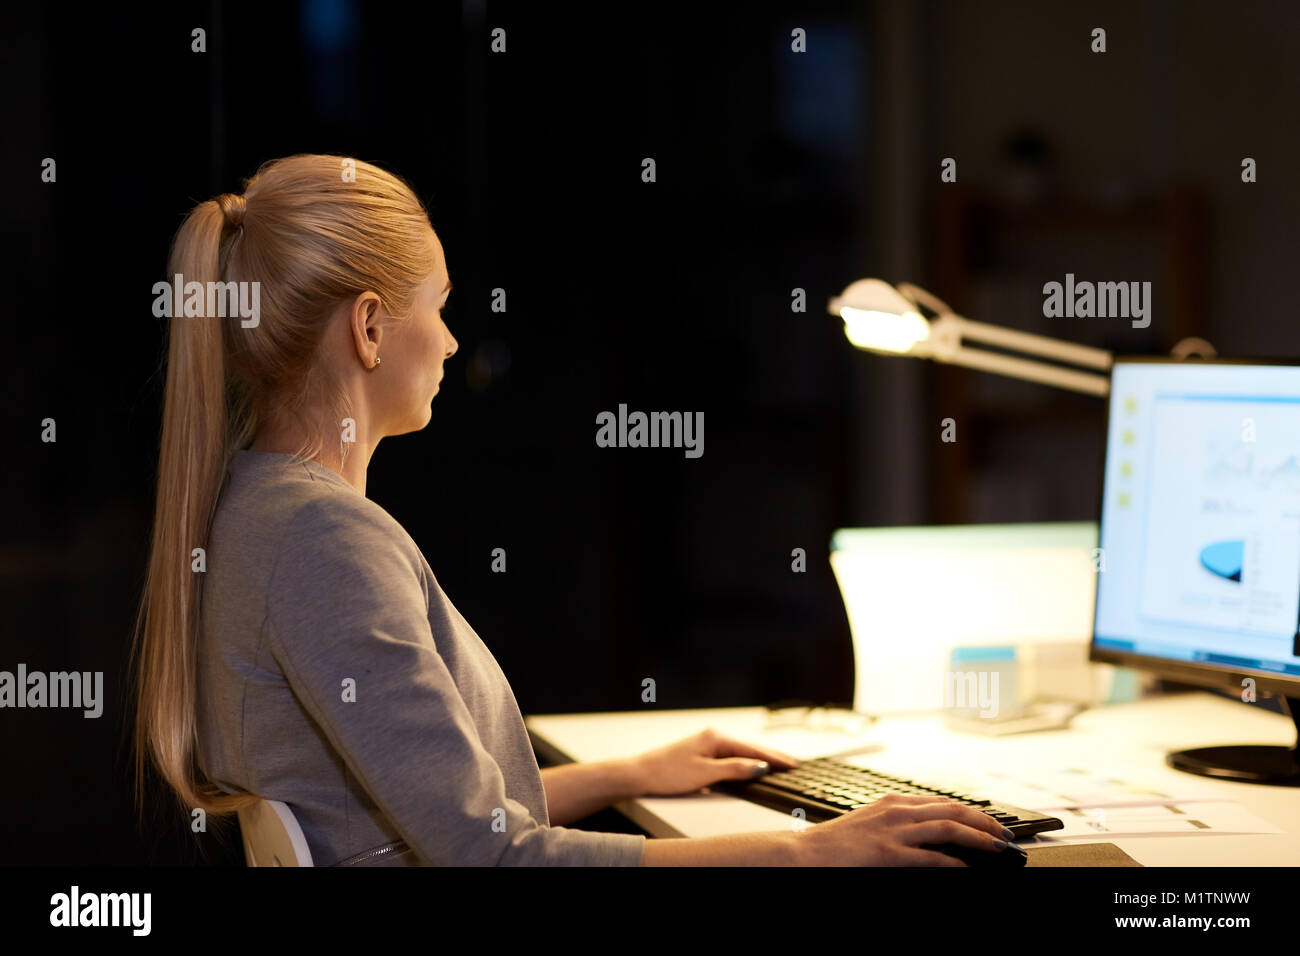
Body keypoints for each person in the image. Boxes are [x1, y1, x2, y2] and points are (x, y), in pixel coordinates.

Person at [131, 154, 1011, 866]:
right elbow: (494, 858)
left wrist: (627, 774)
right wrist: (805, 852)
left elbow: (427, 816)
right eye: (439, 307)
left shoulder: (252, 510)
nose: (452, 341)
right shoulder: (325, 542)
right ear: (368, 329)